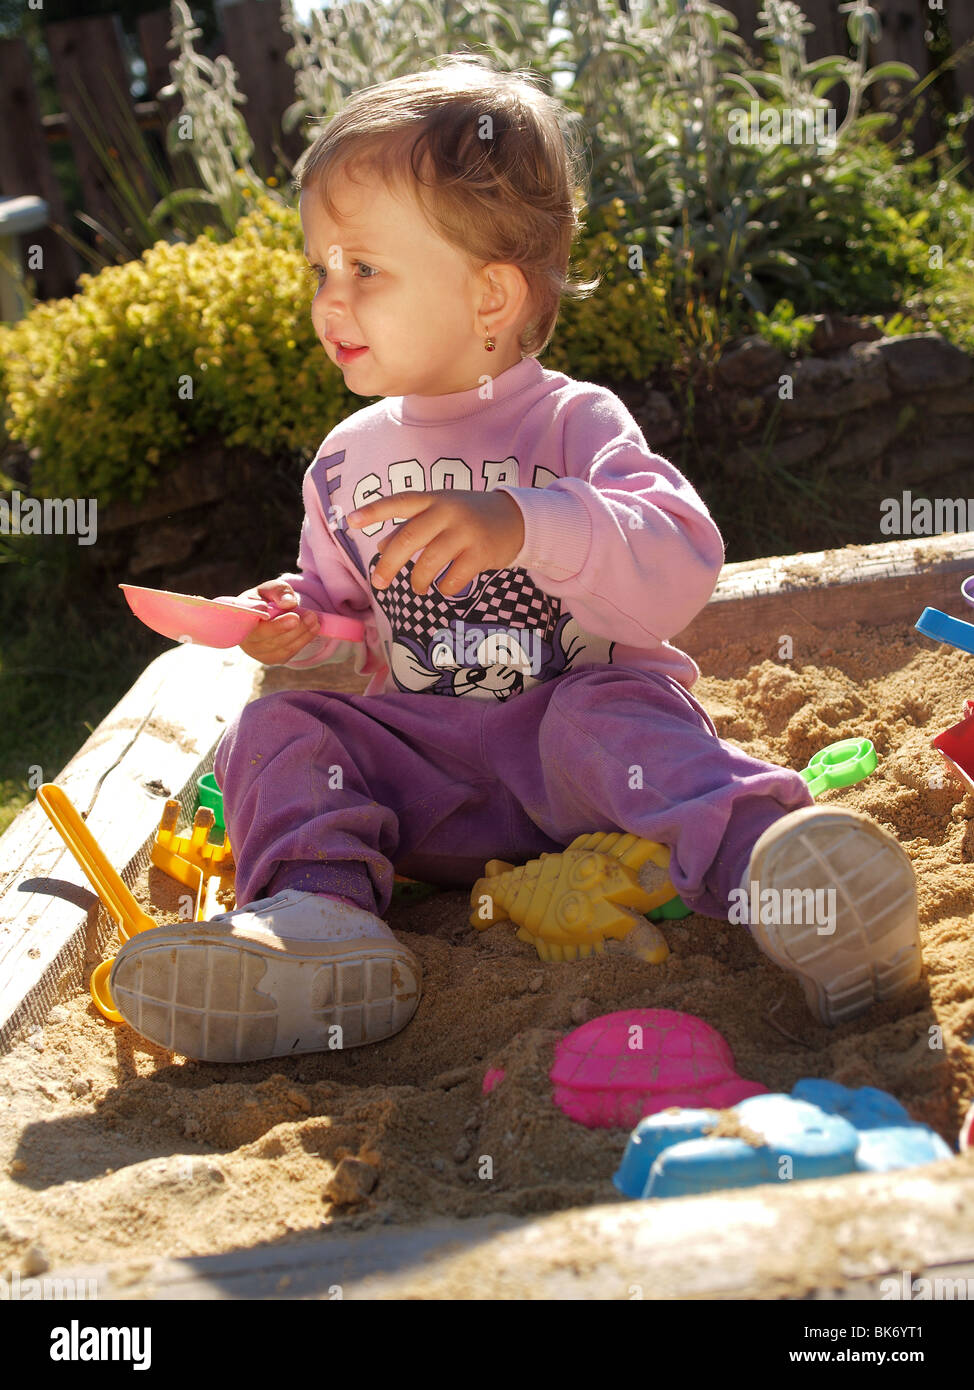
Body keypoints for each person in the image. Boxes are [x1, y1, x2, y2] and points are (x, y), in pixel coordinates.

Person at [109, 55, 922, 1062]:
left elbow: (679, 566)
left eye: (365, 267)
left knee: (614, 717)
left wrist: (528, 522)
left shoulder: (574, 421)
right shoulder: (344, 463)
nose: (329, 298)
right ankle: (316, 928)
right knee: (277, 726)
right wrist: (302, 631)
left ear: (489, 296)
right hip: (427, 779)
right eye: (320, 266)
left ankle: (790, 880)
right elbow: (356, 638)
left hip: (576, 754)